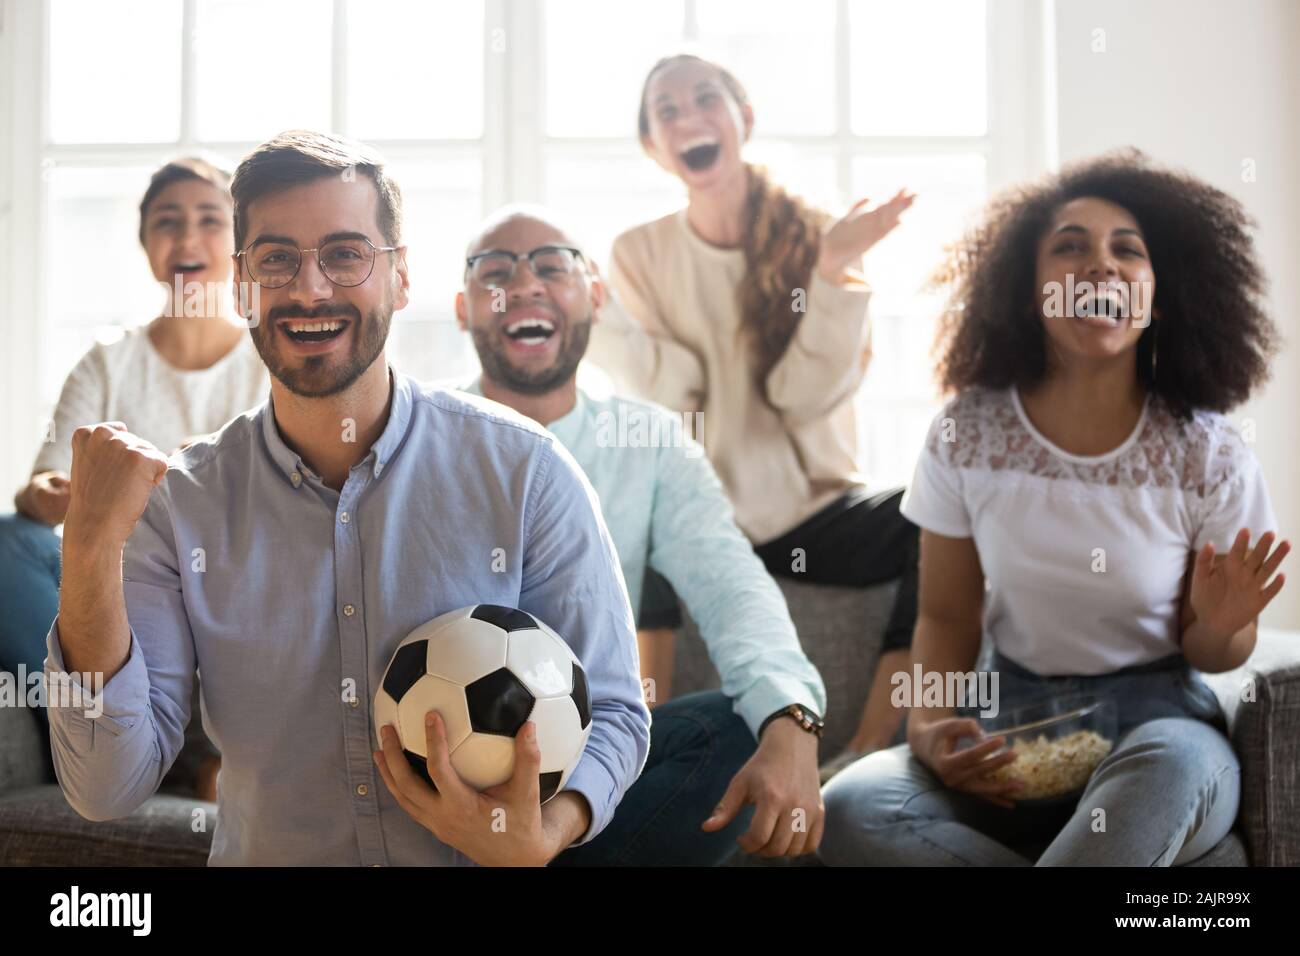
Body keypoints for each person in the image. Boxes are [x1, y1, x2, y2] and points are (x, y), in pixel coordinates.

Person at [43, 131, 649, 866]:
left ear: (399, 279)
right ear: (240, 287)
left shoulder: (527, 472)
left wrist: (545, 834)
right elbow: (106, 787)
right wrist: (88, 548)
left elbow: (616, 709)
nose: (309, 289)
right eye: (276, 260)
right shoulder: (183, 506)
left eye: (345, 254)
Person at [820, 150, 1288, 866]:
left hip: (1160, 729)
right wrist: (929, 726)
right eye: (1071, 247)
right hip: (1008, 726)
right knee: (853, 807)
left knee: (1161, 777)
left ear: (1156, 297)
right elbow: (946, 615)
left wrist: (1225, 628)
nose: (1101, 265)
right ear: (1028, 289)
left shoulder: (1211, 453)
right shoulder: (965, 433)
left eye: (1126, 251)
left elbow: (1213, 647)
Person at [456, 205, 829, 864]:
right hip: (439, 748)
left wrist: (791, 715)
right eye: (496, 271)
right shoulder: (416, 436)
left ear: (595, 296)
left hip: (585, 765)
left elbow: (730, 583)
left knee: (738, 728)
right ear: (463, 307)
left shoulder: (649, 443)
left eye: (551, 265)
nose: (524, 285)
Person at [585, 52, 919, 769]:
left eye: (706, 99)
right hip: (697, 513)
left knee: (937, 519)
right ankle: (637, 763)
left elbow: (806, 395)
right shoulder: (637, 252)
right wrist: (604, 317)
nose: (688, 118)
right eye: (665, 111)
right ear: (652, 145)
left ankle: (868, 743)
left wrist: (831, 273)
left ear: (745, 119)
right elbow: (666, 395)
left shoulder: (821, 233)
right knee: (620, 530)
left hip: (814, 511)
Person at [0, 157, 267, 798]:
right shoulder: (108, 360)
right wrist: (52, 493)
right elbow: (43, 487)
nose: (186, 238)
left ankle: (162, 755)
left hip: (221, 585)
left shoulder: (267, 360)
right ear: (147, 245)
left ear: (235, 246)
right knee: (9, 541)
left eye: (209, 220)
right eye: (166, 222)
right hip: (110, 589)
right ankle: (165, 758)